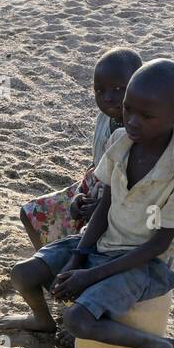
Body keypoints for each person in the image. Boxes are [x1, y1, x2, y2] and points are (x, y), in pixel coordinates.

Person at [0, 58, 174, 348]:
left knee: (78, 321)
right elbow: (105, 207)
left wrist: (89, 276)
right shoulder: (121, 142)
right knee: (23, 274)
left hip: (145, 264)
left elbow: (157, 246)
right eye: (128, 109)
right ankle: (43, 321)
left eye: (146, 116)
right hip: (103, 243)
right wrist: (78, 258)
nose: (132, 121)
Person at [19, 47, 142, 248]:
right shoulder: (104, 119)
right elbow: (96, 165)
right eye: (100, 91)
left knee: (89, 237)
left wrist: (104, 208)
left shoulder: (141, 130)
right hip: (93, 189)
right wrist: (80, 196)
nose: (108, 98)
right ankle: (49, 260)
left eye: (118, 89)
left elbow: (140, 186)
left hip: (124, 204)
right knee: (31, 214)